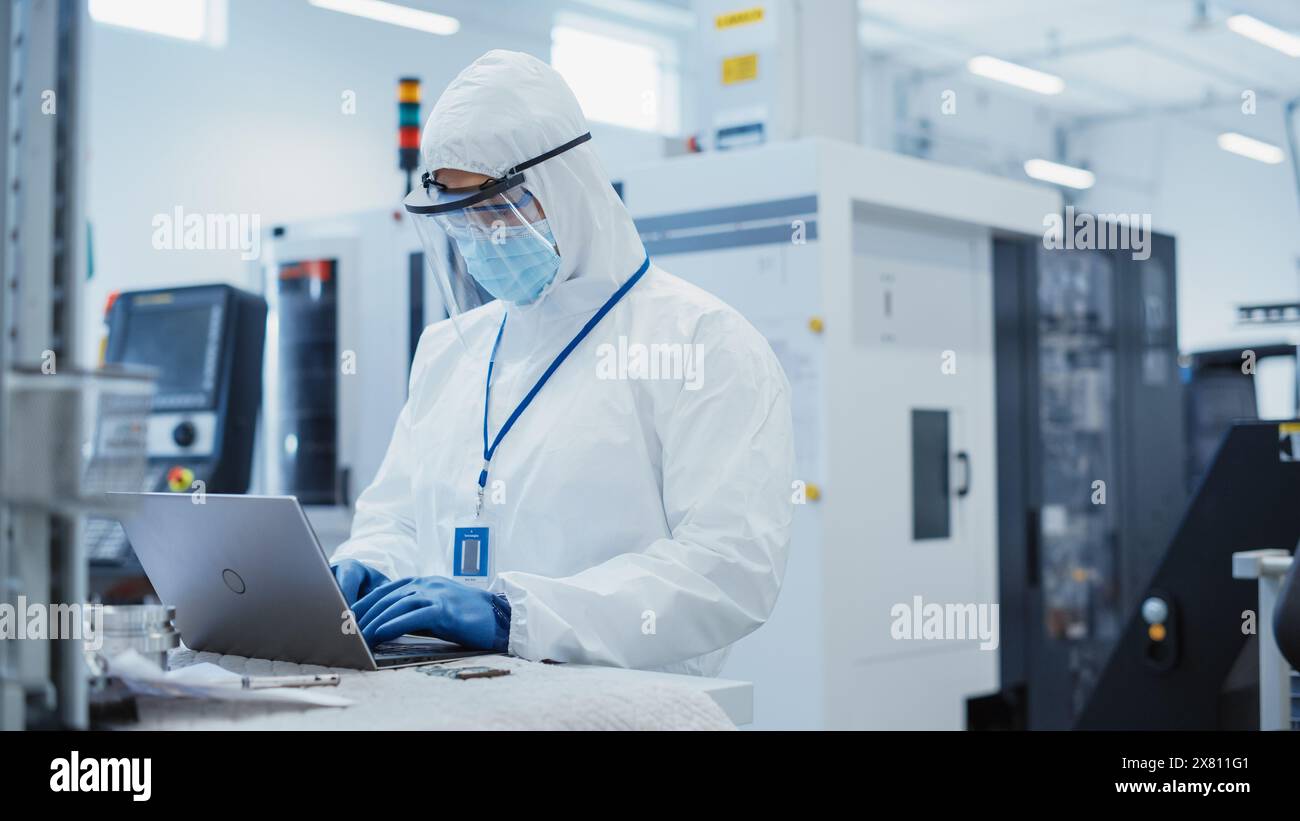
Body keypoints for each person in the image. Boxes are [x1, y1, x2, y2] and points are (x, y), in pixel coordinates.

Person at [330, 49, 793, 676]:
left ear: (565, 187)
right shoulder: (450, 351)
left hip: (628, 710)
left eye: (496, 208)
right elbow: (399, 516)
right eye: (461, 217)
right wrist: (371, 562)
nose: (480, 237)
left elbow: (728, 571)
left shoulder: (704, 343)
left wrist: (514, 616)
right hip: (451, 699)